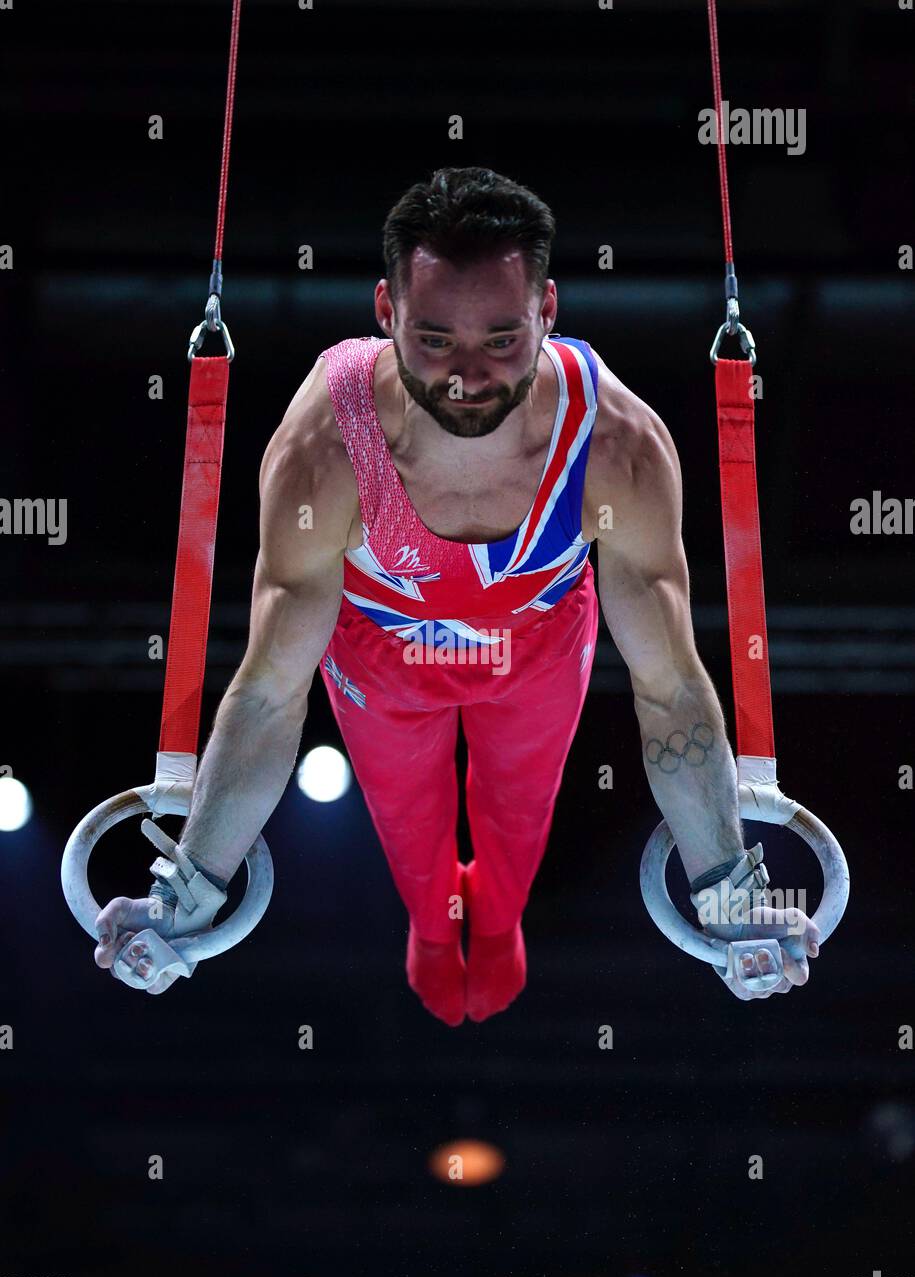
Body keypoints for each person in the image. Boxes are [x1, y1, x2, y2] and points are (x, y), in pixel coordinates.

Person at [93, 166, 819, 1021]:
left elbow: (667, 689)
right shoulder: (326, 449)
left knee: (516, 835)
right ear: (385, 313)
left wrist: (729, 896)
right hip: (381, 662)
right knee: (415, 851)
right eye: (435, 341)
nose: (467, 377)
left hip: (538, 650)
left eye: (502, 339)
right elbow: (267, 692)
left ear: (548, 311)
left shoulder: (615, 446)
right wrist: (189, 896)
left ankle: (497, 922)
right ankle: (435, 932)